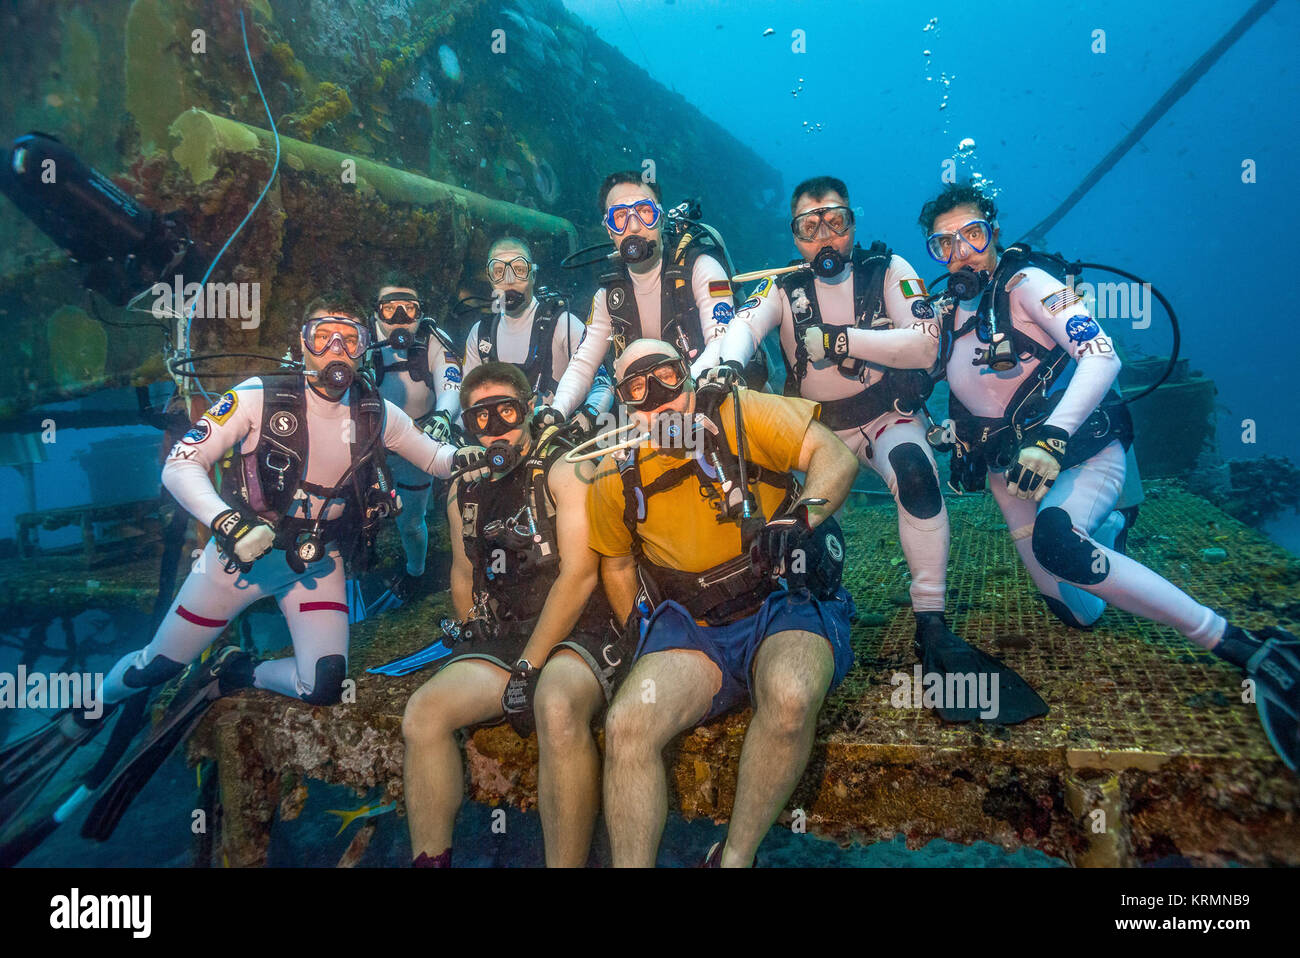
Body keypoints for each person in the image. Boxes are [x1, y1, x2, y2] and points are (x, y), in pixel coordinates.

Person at [0, 294, 472, 845]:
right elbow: (182, 465)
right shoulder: (256, 396)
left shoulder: (377, 414)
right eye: (322, 336)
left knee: (323, 684)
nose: (336, 350)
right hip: (237, 562)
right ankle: (89, 710)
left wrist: (477, 457)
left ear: (365, 348)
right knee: (156, 666)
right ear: (302, 345)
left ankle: (235, 671)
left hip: (315, 565)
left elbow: (435, 458)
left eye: (350, 338)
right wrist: (228, 523)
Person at [919, 181, 1300, 770]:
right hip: (1009, 478)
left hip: (1083, 453)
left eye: (973, 234)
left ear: (993, 233)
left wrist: (1052, 438)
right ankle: (1113, 530)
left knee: (1060, 544)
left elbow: (1101, 354)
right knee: (1075, 613)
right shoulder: (946, 315)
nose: (961, 253)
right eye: (944, 244)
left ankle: (1239, 644)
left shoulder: (1029, 285)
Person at [709, 175, 1045, 724]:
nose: (825, 237)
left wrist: (839, 339)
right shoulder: (780, 288)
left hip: (887, 416)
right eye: (810, 227)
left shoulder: (889, 270)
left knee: (917, 477)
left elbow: (925, 344)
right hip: (817, 430)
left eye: (836, 222)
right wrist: (722, 365)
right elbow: (742, 327)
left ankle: (931, 623)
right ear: (795, 237)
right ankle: (788, 617)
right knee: (792, 529)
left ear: (853, 224)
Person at [589, 338, 859, 866]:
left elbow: (836, 456)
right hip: (694, 627)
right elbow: (616, 565)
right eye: (638, 389)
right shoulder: (613, 470)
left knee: (791, 694)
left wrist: (801, 518)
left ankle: (734, 857)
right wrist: (641, 642)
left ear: (688, 374)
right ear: (623, 402)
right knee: (628, 724)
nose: (659, 399)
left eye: (667, 377)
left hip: (783, 600)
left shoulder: (739, 412)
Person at [401, 362, 628, 868]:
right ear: (467, 426)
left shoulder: (565, 469)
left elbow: (581, 575)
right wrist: (474, 635)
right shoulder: (464, 490)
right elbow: (463, 574)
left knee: (556, 706)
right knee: (423, 714)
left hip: (580, 628)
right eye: (480, 418)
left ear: (529, 410)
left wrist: (528, 666)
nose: (496, 427)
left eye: (506, 411)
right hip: (508, 635)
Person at [533, 172, 739, 435]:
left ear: (660, 218)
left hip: (711, 405)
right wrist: (557, 410)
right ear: (609, 230)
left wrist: (677, 391)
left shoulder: (701, 267)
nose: (633, 227)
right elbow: (583, 364)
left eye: (644, 212)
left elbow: (721, 339)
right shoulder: (607, 297)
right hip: (649, 418)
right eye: (620, 217)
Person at [366, 273, 465, 614]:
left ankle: (416, 572)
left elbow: (451, 383)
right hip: (369, 445)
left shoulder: (433, 338)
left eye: (408, 309)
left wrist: (444, 416)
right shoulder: (360, 338)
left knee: (410, 521)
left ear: (420, 312)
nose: (399, 318)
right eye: (389, 309)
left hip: (419, 440)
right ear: (376, 311)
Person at [462, 236, 612, 435]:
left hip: (556, 439)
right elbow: (467, 399)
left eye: (519, 270)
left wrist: (587, 417)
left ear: (533, 276)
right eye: (498, 271)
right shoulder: (480, 334)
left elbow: (603, 384)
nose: (509, 279)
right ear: (489, 278)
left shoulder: (562, 323)